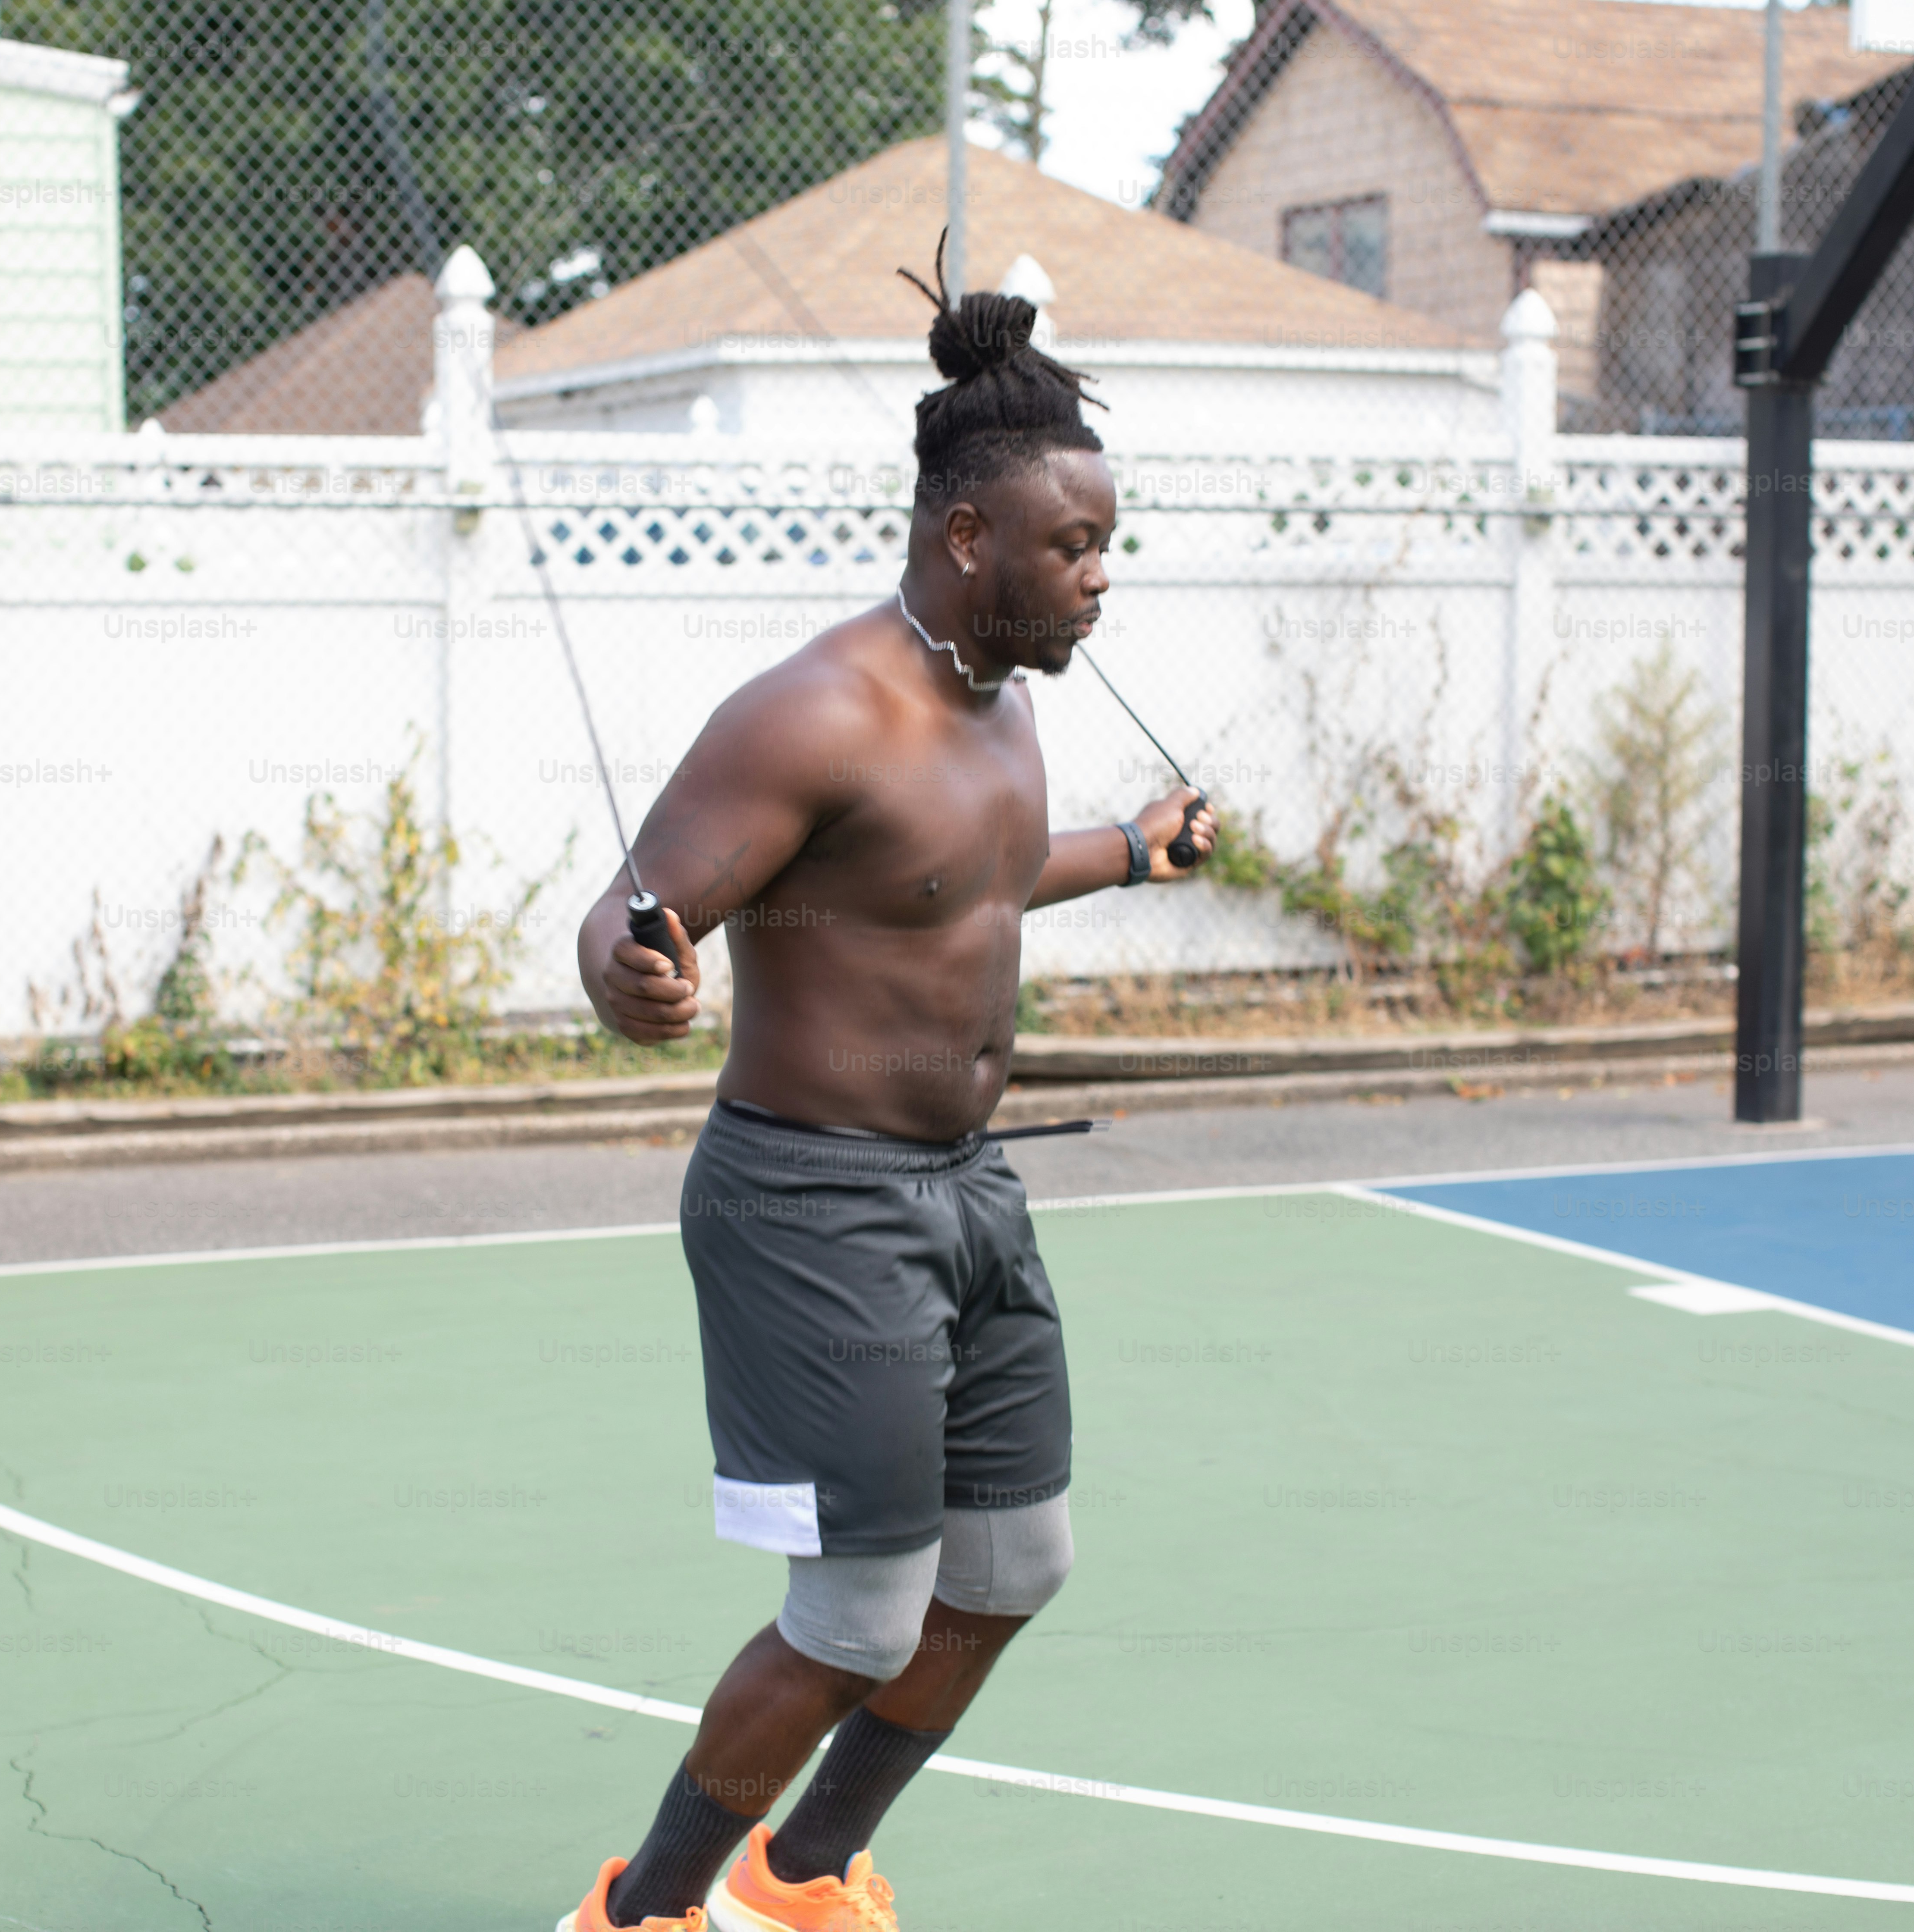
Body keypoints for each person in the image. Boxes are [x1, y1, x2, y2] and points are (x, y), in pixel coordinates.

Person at [560, 258, 1215, 1932]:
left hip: (970, 1189)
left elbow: (976, 876)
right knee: (858, 1613)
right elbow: (637, 914)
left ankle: (800, 1872)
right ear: (969, 540)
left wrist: (1133, 850)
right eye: (1076, 547)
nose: (1099, 580)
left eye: (1107, 545)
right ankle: (642, 1912)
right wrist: (635, 973)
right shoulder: (815, 714)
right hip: (813, 1202)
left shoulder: (1001, 715)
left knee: (1010, 1570)